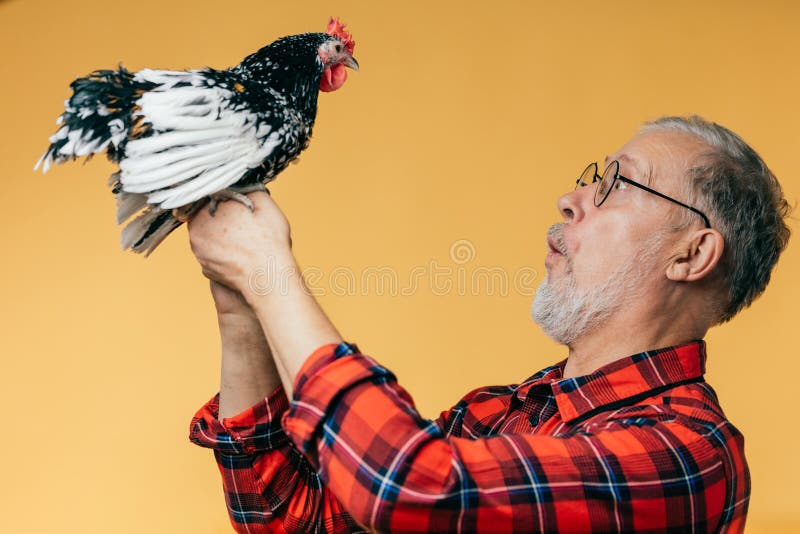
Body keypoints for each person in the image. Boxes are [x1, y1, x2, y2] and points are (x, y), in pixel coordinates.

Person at [187, 116, 791, 533]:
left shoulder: (688, 455)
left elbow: (400, 481)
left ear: (690, 255)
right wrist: (244, 305)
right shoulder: (500, 416)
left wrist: (271, 268)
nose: (570, 199)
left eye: (617, 184)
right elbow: (291, 520)